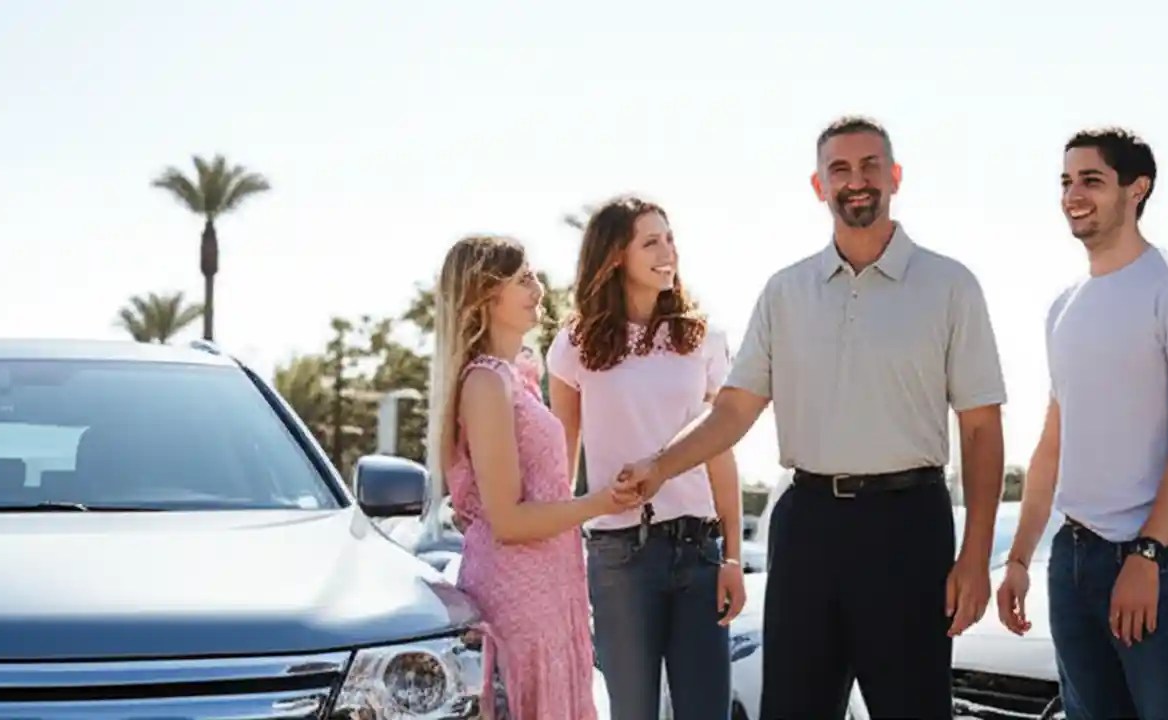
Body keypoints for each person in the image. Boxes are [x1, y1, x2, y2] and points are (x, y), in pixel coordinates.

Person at [615, 116, 1007, 719]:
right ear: (819, 186)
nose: (857, 181)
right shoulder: (784, 291)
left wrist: (976, 554)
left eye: (870, 166)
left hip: (909, 529)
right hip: (809, 528)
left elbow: (980, 428)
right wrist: (660, 466)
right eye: (840, 170)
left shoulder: (950, 286)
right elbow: (734, 409)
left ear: (895, 177)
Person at [995, 127, 1168, 718]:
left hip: (1159, 563)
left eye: (1091, 180)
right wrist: (1020, 558)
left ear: (1137, 189)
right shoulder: (1064, 306)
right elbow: (1053, 445)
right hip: (1073, 562)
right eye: (1066, 181)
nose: (1073, 194)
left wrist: (1148, 554)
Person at [546, 195, 746, 720]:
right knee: (631, 713)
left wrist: (731, 557)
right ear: (616, 255)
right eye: (651, 241)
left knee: (706, 712)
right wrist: (560, 552)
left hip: (698, 551)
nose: (668, 252)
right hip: (619, 558)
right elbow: (559, 464)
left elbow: (719, 446)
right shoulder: (575, 344)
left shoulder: (702, 338)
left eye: (670, 238)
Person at [428, 233, 628, 720]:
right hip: (518, 603)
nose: (538, 288)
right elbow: (509, 521)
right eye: (523, 279)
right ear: (484, 294)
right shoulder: (485, 382)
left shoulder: (514, 378)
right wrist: (602, 502)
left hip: (549, 591)